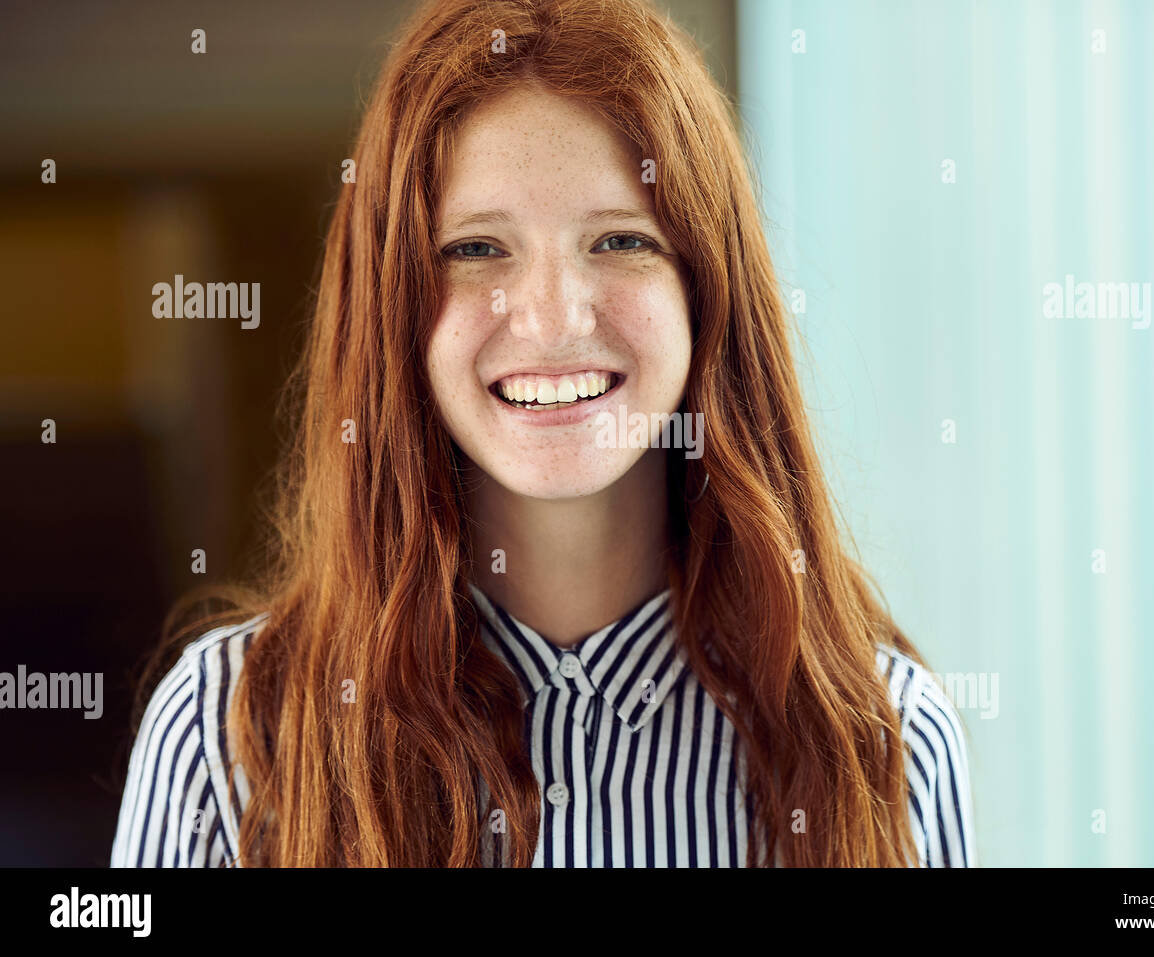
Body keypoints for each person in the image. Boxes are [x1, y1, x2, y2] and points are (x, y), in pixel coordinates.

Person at [111, 0, 975, 868]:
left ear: (708, 294)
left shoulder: (888, 742)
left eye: (620, 238)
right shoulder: (224, 741)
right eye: (476, 249)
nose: (554, 317)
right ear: (391, 310)